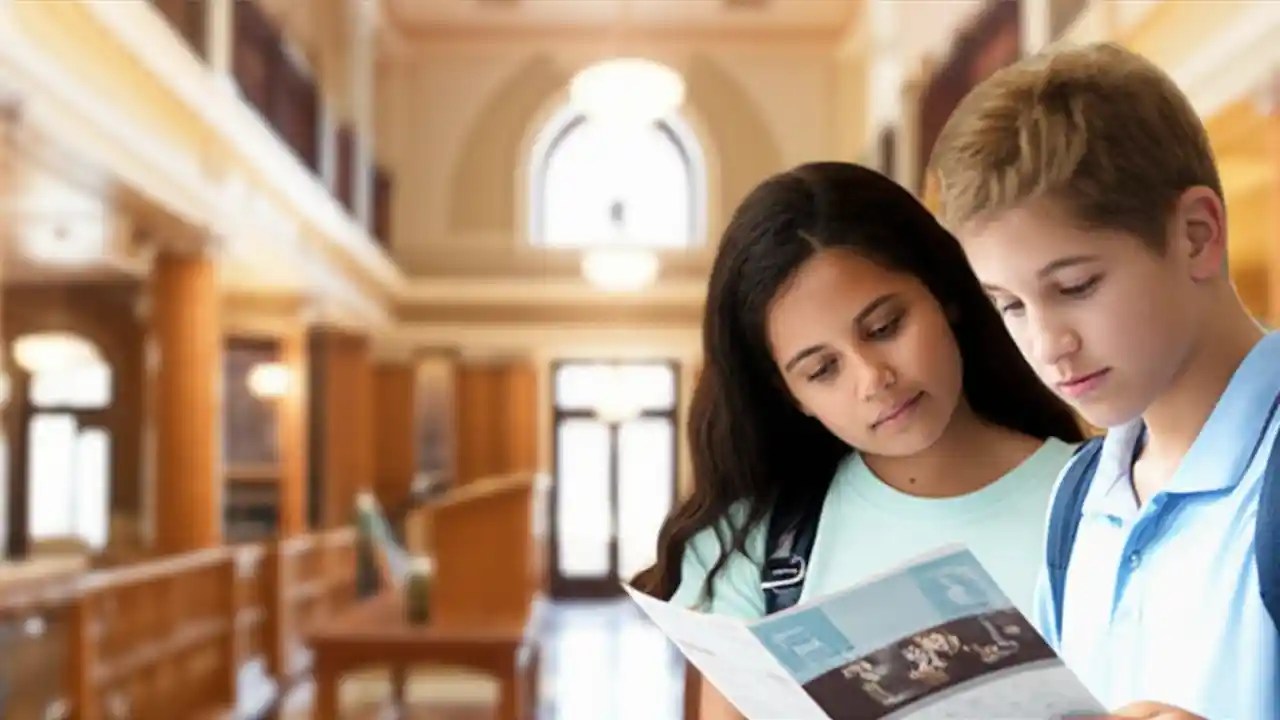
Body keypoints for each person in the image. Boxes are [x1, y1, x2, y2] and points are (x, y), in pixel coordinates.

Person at [632, 162, 1083, 718]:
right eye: (823, 370)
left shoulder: (1110, 502)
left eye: (884, 327)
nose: (873, 380)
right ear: (792, 394)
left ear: (945, 294)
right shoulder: (752, 548)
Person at [930, 42, 1278, 720]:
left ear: (1198, 234)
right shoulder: (1080, 496)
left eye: (1076, 285)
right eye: (1009, 304)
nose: (1046, 344)